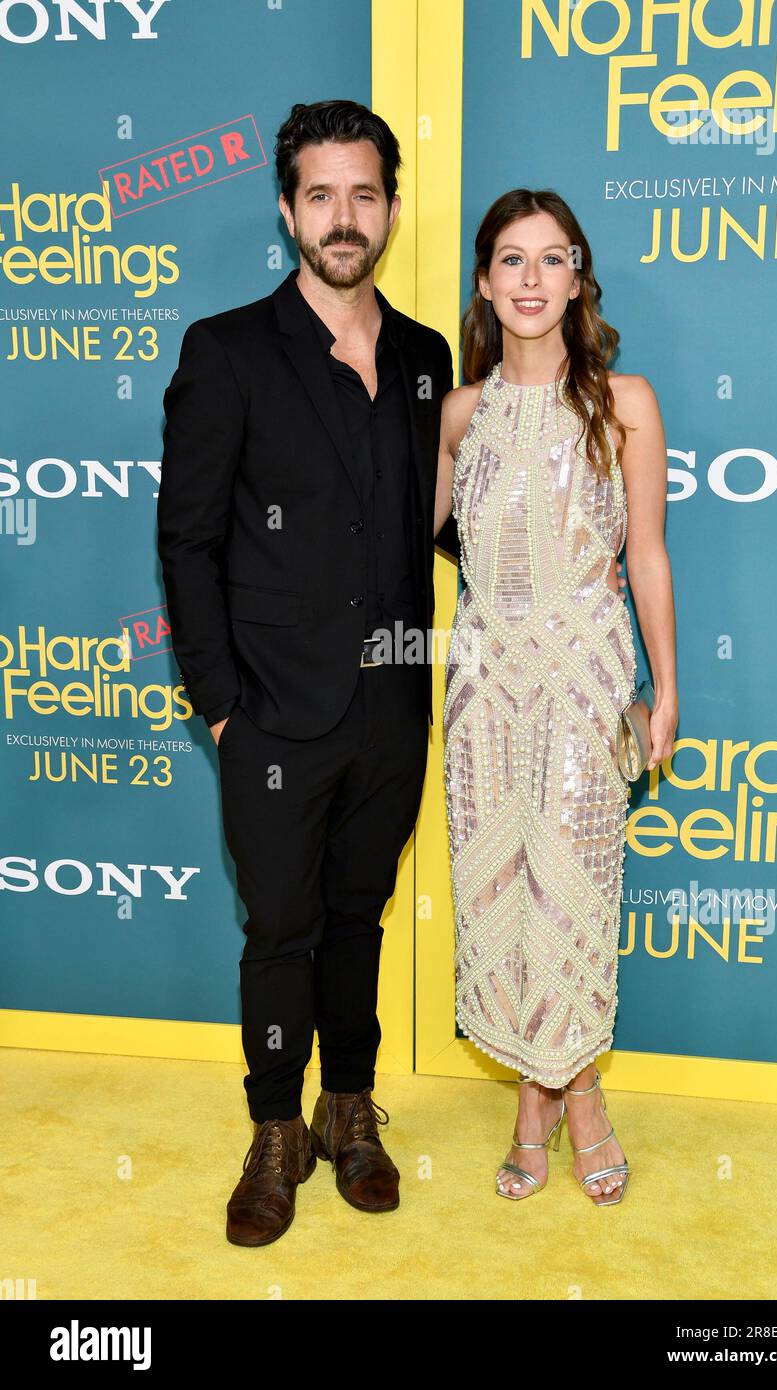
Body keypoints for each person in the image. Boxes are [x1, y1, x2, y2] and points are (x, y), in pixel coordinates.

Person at [157, 99, 460, 1245]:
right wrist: (223, 711)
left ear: (390, 207)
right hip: (274, 714)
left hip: (392, 699)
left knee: (358, 918)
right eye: (322, 194)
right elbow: (186, 539)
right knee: (278, 930)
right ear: (288, 208)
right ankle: (276, 1129)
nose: (345, 216)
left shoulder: (430, 358)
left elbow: (445, 525)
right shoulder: (228, 350)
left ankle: (350, 1112)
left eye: (365, 193)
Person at [435, 189, 678, 1205]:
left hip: (586, 684)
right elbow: (423, 550)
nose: (530, 279)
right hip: (485, 687)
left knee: (573, 894)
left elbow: (650, 555)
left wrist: (666, 686)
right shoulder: (457, 413)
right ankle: (544, 1102)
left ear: (578, 277)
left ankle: (573, 1102)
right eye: (509, 260)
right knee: (497, 898)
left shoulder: (627, 401)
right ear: (485, 282)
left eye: (551, 259)